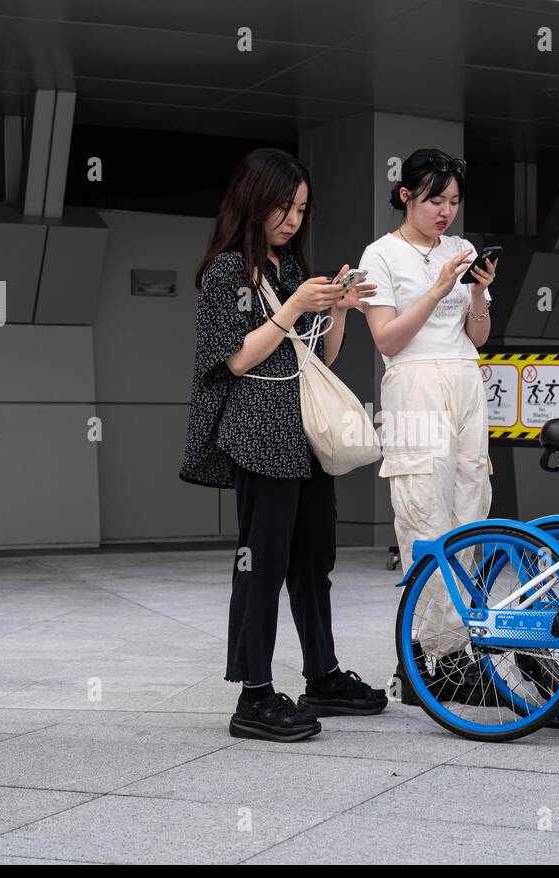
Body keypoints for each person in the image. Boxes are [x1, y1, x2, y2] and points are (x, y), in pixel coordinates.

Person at [180, 147, 386, 742]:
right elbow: (238, 359)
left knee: (314, 560)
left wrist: (340, 309)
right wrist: (295, 305)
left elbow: (319, 357)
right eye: (282, 207)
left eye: (300, 209)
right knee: (261, 563)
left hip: (303, 432)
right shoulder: (225, 272)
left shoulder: (290, 270)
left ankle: (322, 675)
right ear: (253, 201)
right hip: (258, 432)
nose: (293, 220)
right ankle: (254, 696)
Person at [357, 148, 497, 706]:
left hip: (466, 378)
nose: (446, 212)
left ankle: (454, 654)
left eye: (454, 201)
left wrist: (479, 290)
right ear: (405, 196)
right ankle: (422, 660)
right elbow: (387, 339)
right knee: (424, 519)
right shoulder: (380, 254)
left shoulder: (461, 250)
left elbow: (479, 337)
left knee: (471, 511)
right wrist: (439, 289)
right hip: (413, 383)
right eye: (435, 199)